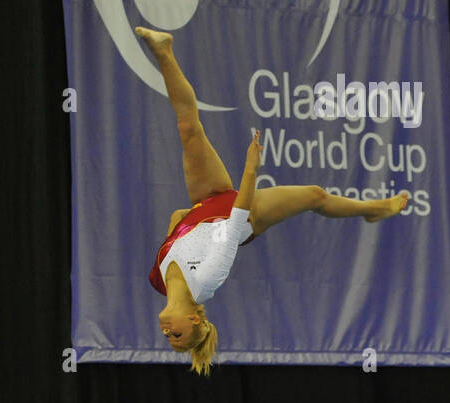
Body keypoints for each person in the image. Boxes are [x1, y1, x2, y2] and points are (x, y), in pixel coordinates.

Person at [135, 27, 409, 375]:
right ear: (193, 318)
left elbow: (178, 225)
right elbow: (236, 222)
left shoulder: (157, 280)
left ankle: (164, 51)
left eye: (168, 338)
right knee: (314, 195)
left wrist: (185, 218)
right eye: (177, 335)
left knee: (189, 128)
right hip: (239, 216)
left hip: (207, 206)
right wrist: (251, 172)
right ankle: (374, 209)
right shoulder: (205, 281)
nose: (166, 333)